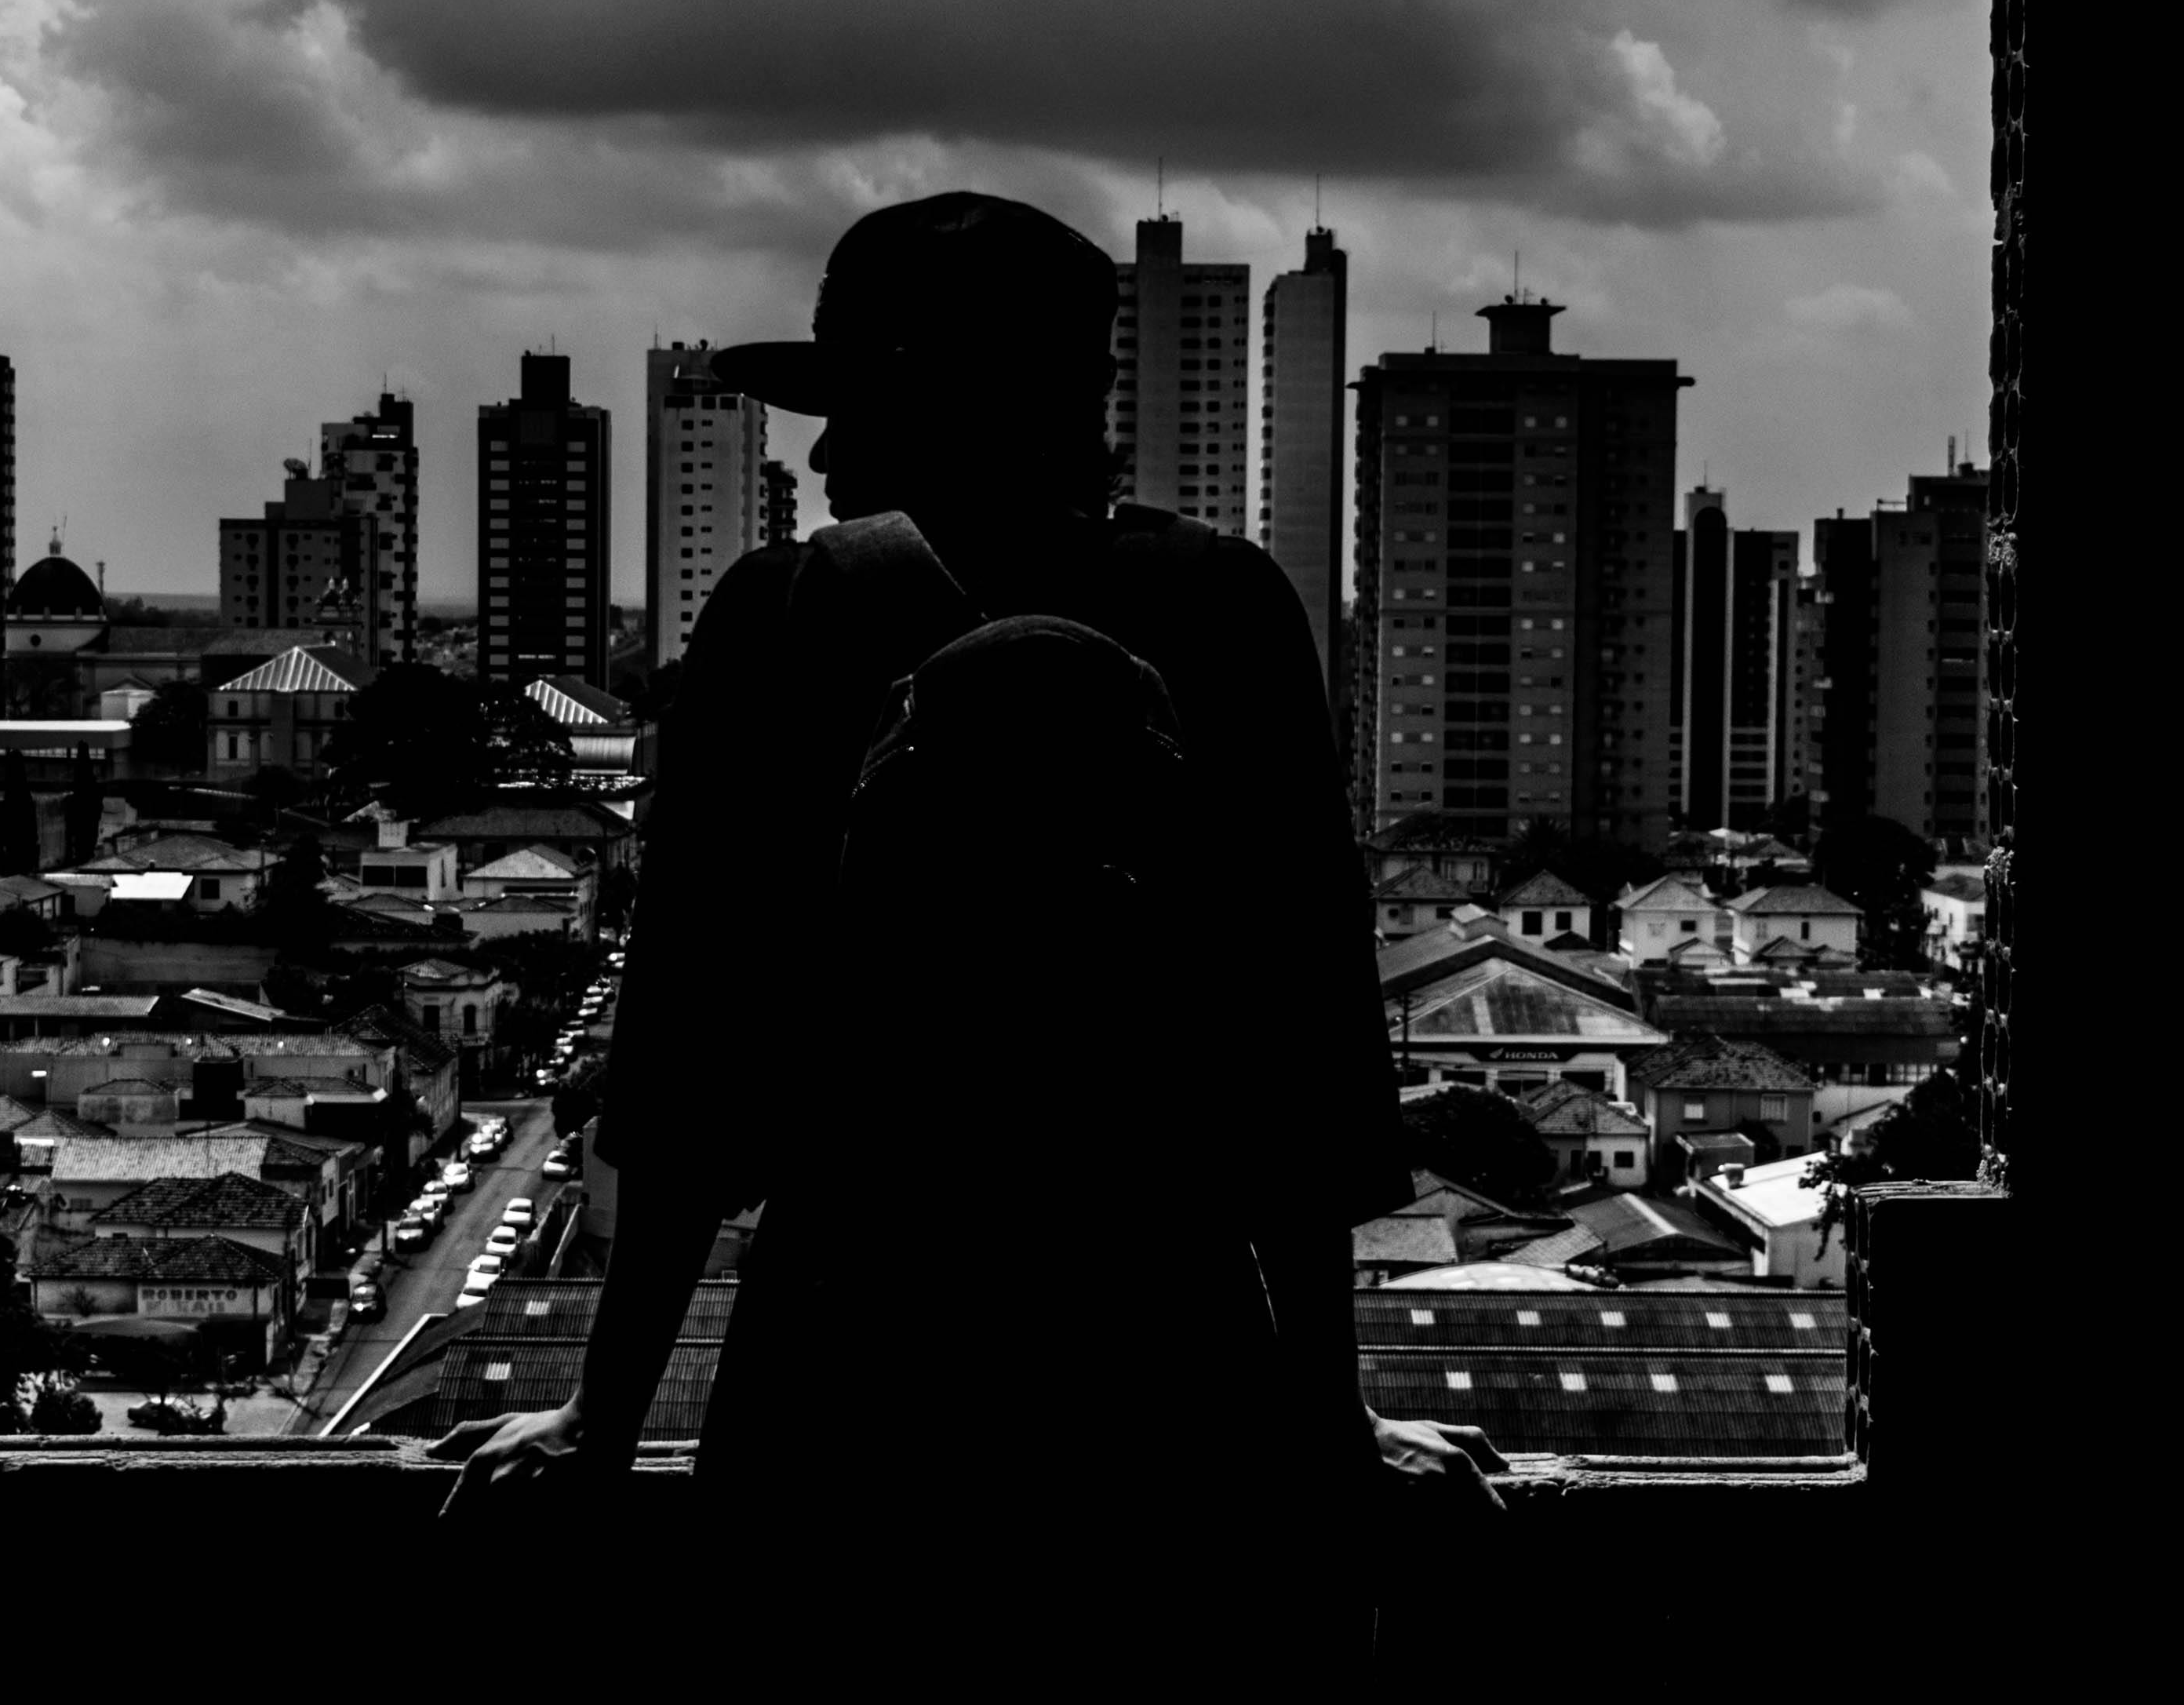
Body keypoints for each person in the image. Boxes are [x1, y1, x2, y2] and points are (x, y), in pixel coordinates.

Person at [431, 192, 1505, 1641]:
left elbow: (693, 1041)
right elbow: (1302, 1044)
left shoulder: (784, 614)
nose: (822, 454)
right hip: (1167, 1360)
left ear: (943, 402)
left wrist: (604, 1420)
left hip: (850, 1352)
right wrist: (1326, 1415)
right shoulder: (1228, 605)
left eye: (855, 409)